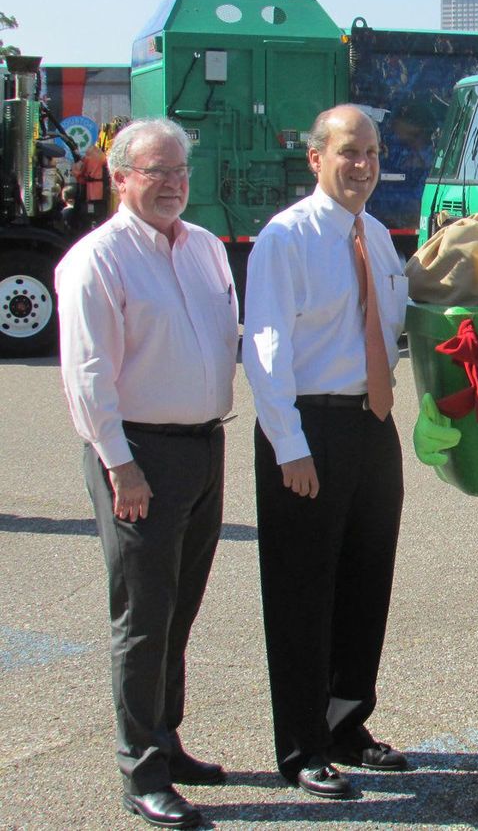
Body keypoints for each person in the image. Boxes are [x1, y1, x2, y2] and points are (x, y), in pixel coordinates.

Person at [56, 118, 238, 829]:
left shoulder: (205, 250)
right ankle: (141, 771)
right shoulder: (97, 260)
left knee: (179, 608)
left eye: (180, 172)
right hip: (137, 456)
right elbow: (88, 376)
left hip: (201, 447)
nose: (171, 184)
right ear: (122, 176)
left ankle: (166, 738)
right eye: (156, 171)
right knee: (142, 617)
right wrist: (120, 465)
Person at [243, 104, 410, 799]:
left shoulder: (377, 234)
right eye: (349, 152)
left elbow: (399, 323)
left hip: (372, 426)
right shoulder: (287, 238)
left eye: (371, 152)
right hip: (307, 430)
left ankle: (347, 723)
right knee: (302, 595)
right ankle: (303, 746)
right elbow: (265, 348)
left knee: (365, 585)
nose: (363, 165)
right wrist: (289, 445)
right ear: (316, 158)